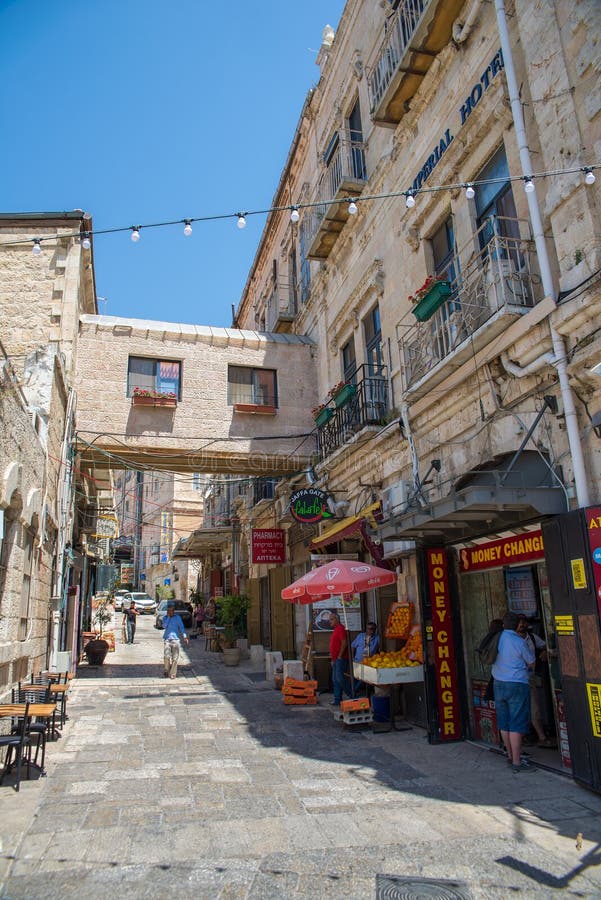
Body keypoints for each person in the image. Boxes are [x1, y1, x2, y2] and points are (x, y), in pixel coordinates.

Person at [491, 610, 536, 773]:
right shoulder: (518, 641)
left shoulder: (497, 638)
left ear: (503, 624)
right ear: (517, 625)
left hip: (498, 683)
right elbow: (531, 662)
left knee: (504, 721)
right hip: (516, 684)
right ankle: (517, 762)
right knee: (516, 723)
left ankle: (510, 755)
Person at [517, 615, 556, 748]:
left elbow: (546, 646)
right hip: (515, 680)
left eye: (524, 622)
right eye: (519, 622)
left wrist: (545, 651)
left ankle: (541, 737)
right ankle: (521, 738)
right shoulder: (511, 640)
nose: (522, 624)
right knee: (519, 709)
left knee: (534, 708)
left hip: (529, 678)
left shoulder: (532, 638)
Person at [163, 600, 189, 679]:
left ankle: (173, 673)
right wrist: (168, 618)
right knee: (166, 656)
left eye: (172, 610)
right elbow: (164, 626)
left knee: (175, 657)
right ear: (167, 611)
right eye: (169, 610)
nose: (170, 611)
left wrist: (184, 636)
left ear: (174, 611)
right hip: (167, 639)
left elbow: (181, 628)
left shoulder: (177, 618)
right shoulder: (165, 618)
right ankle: (166, 669)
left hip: (175, 640)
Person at [328, 611, 349, 707]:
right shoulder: (336, 629)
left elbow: (344, 643)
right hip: (336, 659)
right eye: (329, 619)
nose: (330, 621)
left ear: (337, 619)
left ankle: (352, 694)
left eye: (331, 619)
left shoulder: (340, 628)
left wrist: (340, 656)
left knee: (339, 679)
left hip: (341, 659)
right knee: (335, 680)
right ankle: (337, 699)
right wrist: (333, 659)